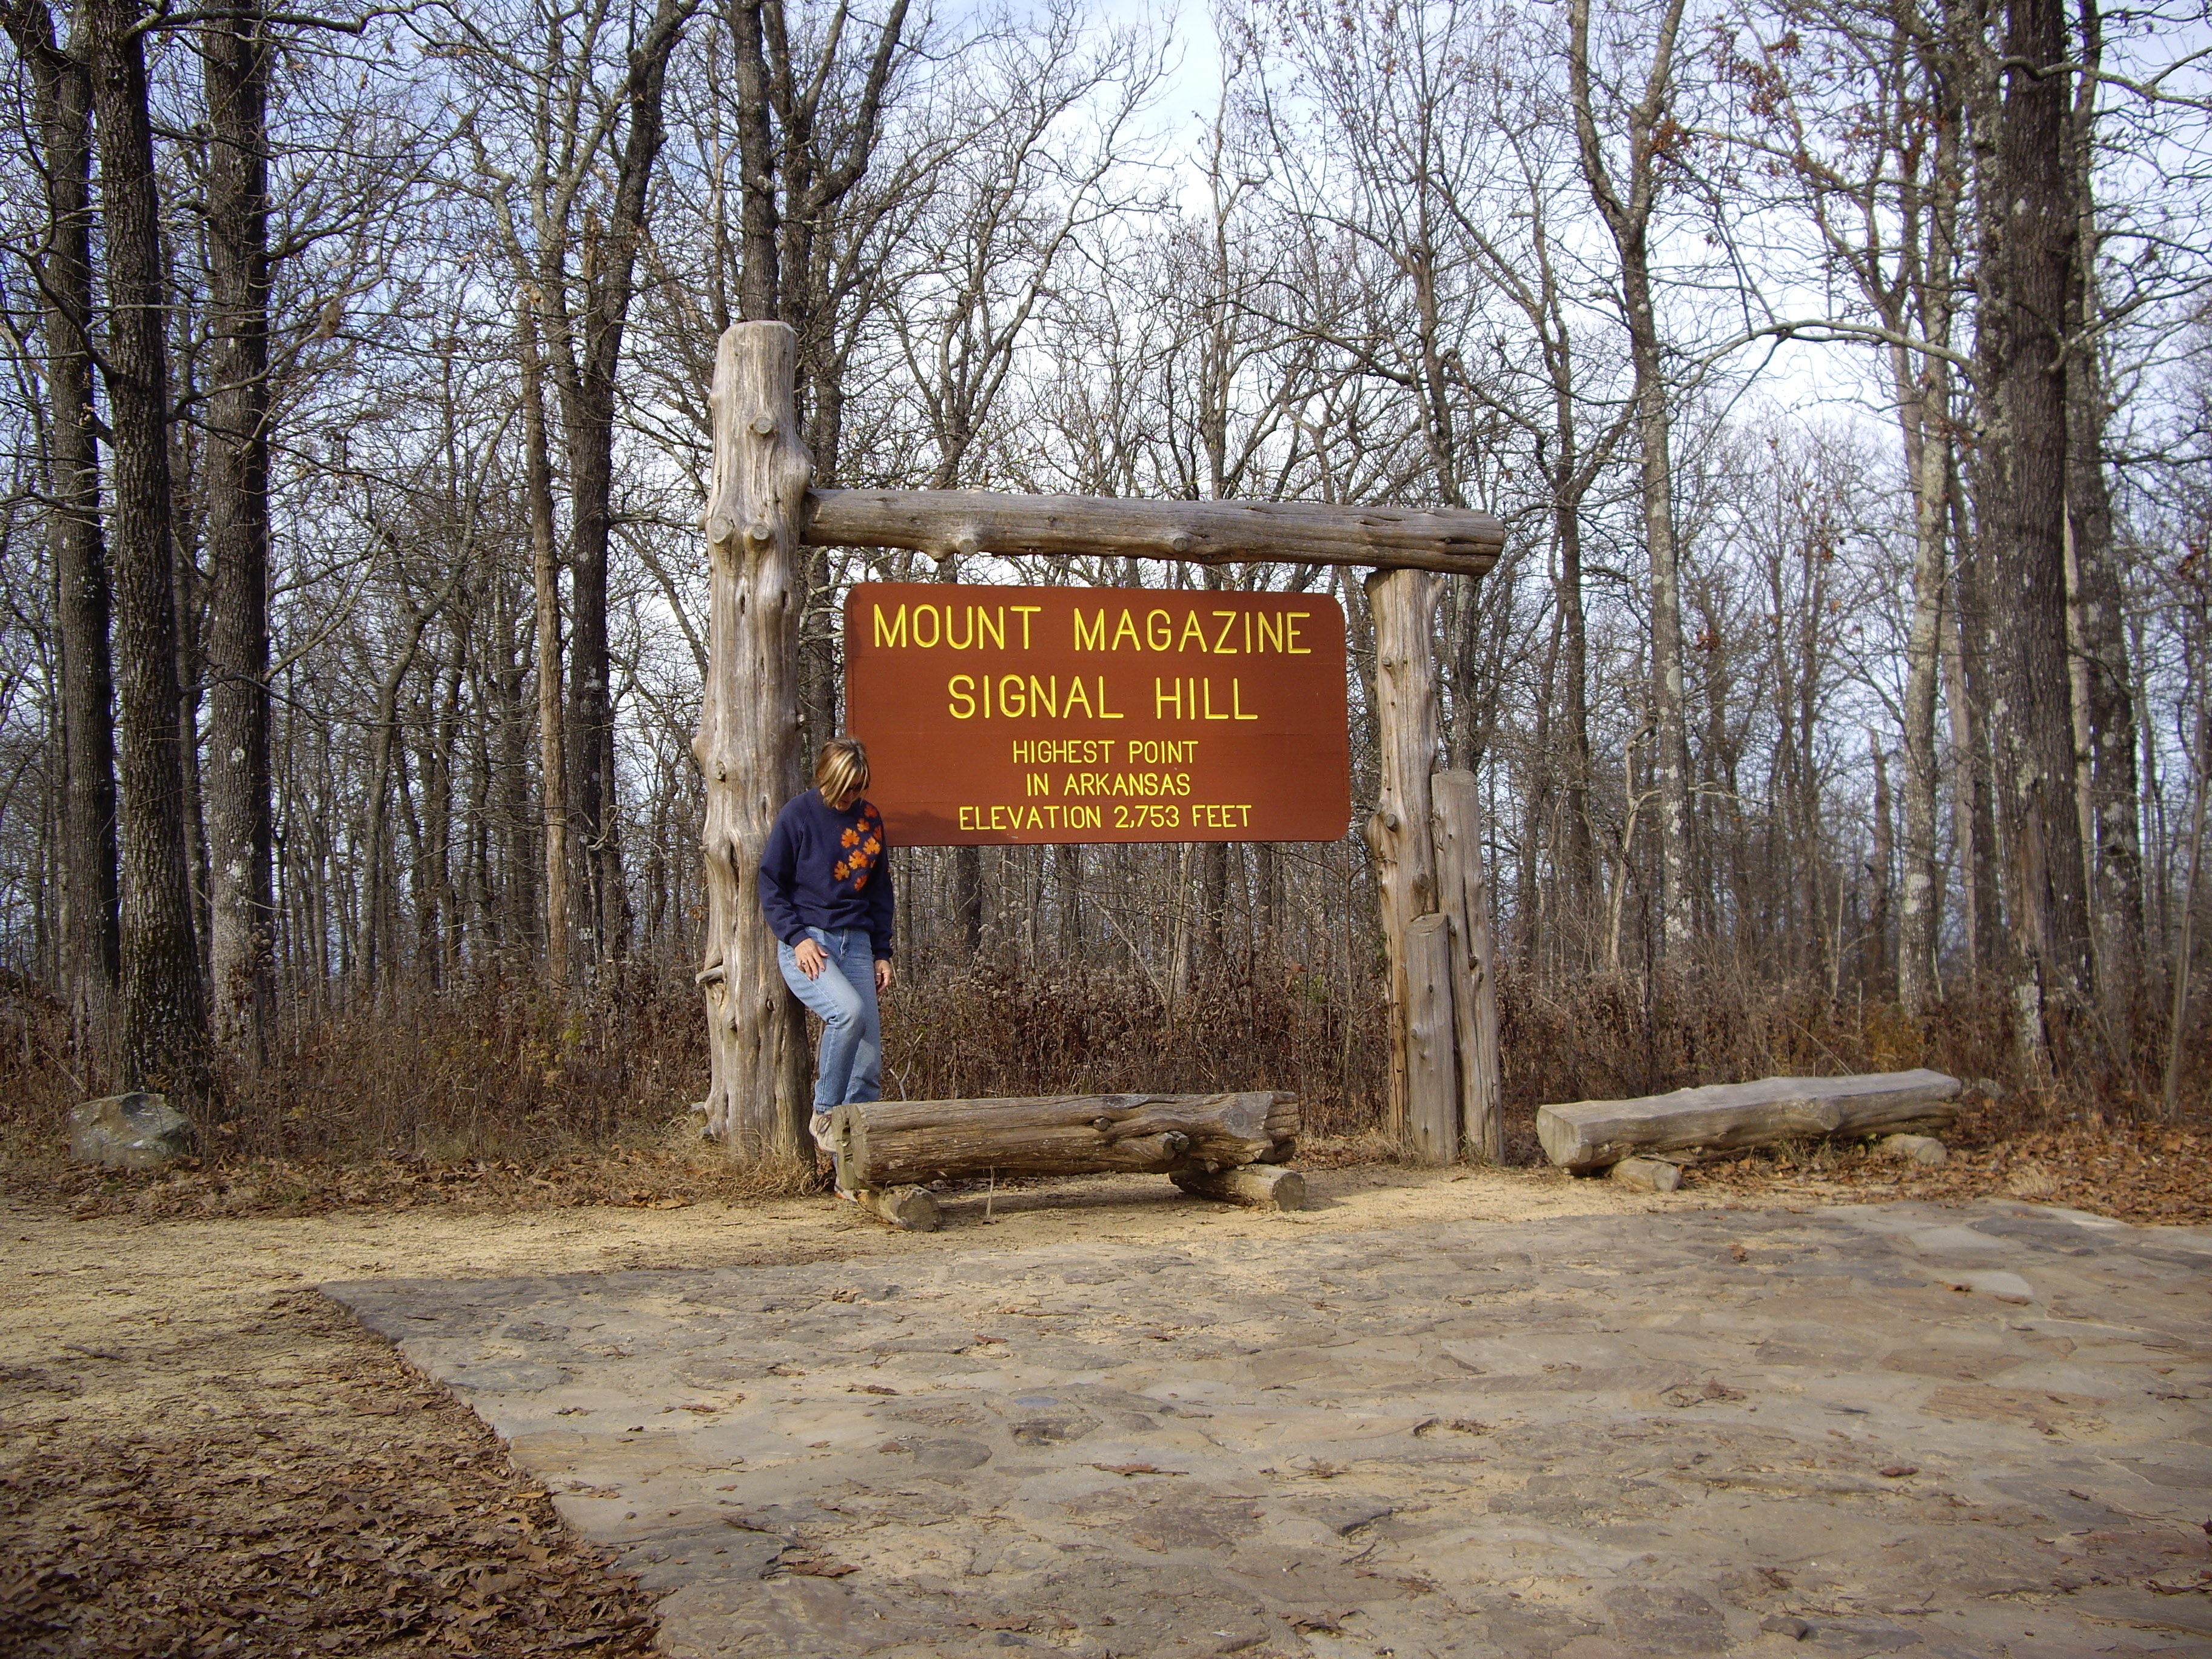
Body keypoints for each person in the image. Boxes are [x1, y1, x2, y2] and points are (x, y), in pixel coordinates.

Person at [757, 736, 895, 1155]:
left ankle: (855, 1173)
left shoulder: (870, 819)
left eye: (859, 787)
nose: (852, 796)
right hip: (809, 941)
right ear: (826, 779)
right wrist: (796, 939)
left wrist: (882, 952)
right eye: (845, 788)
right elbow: (770, 882)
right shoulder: (798, 815)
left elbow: (879, 892)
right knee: (848, 1014)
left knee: (868, 1067)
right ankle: (824, 1112)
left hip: (857, 942)